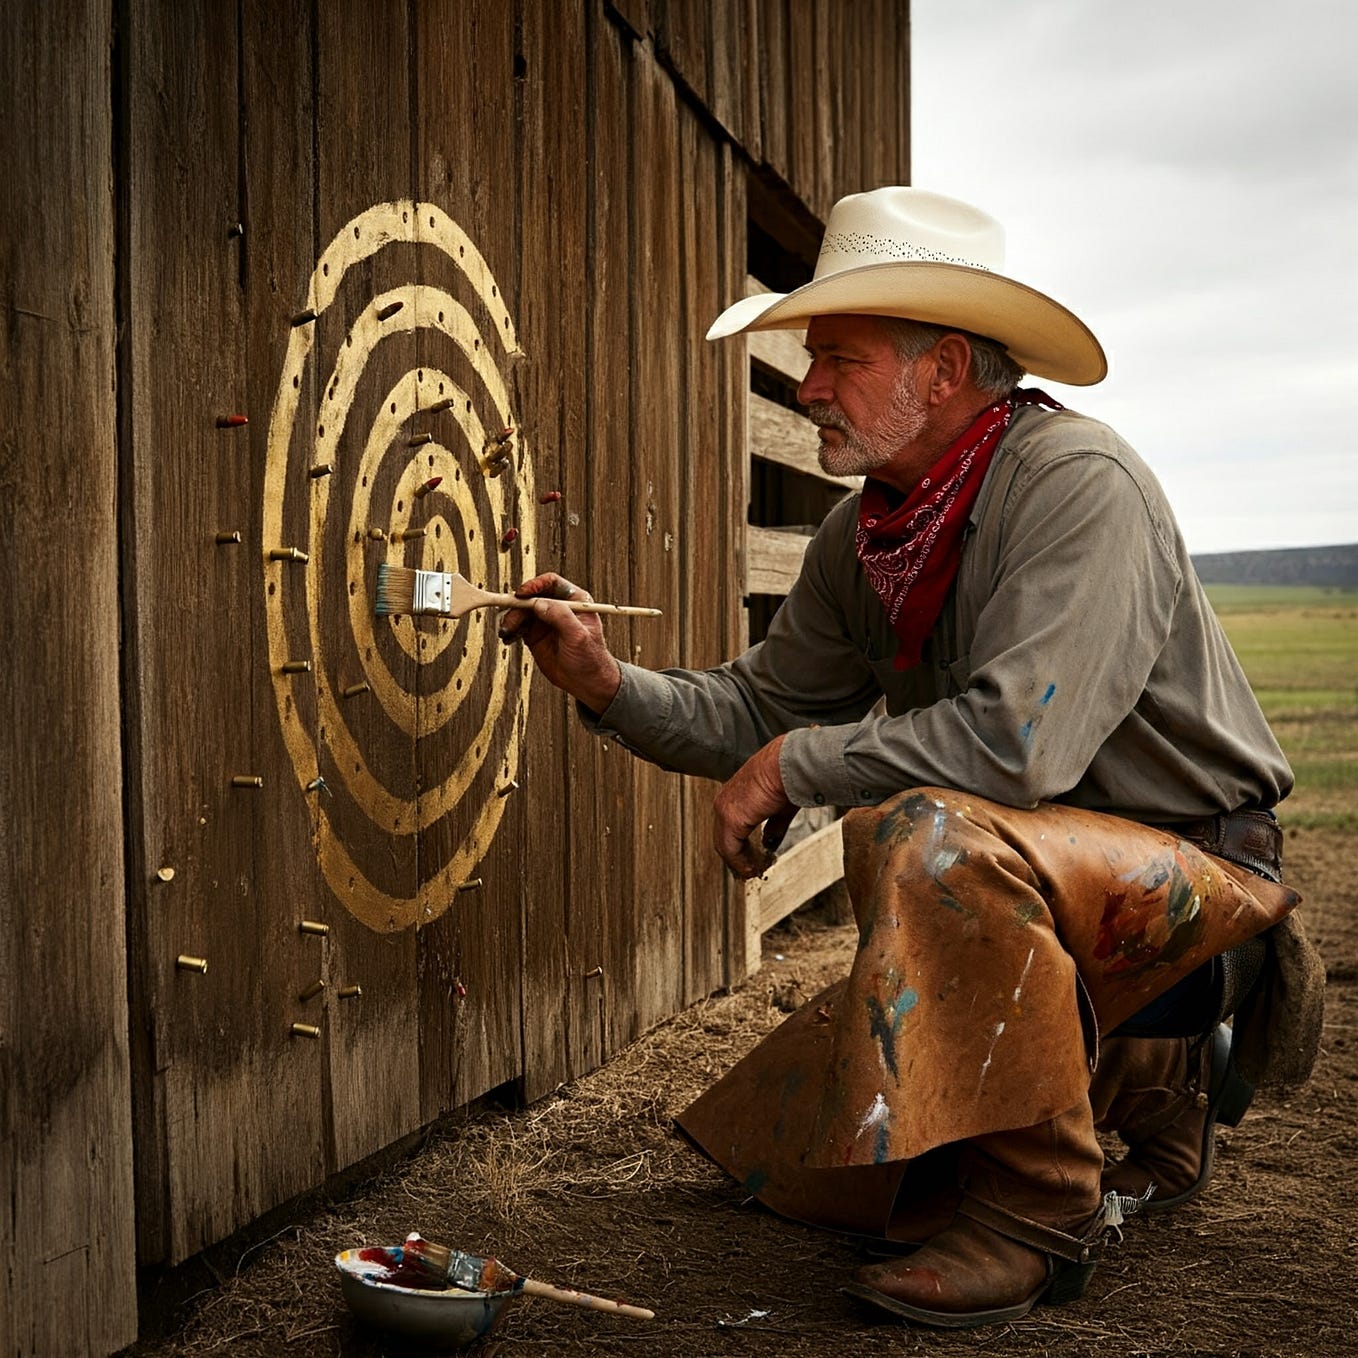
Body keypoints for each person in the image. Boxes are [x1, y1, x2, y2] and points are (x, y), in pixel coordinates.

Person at [497, 188, 1319, 1328]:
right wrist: (602, 680)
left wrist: (796, 767)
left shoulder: (1079, 483)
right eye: (810, 359)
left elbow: (1012, 746)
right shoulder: (869, 532)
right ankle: (1151, 1082)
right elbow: (758, 707)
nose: (808, 387)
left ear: (942, 370)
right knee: (791, 1157)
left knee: (921, 828)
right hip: (1028, 885)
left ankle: (1039, 1215)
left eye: (838, 358)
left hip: (1193, 886)